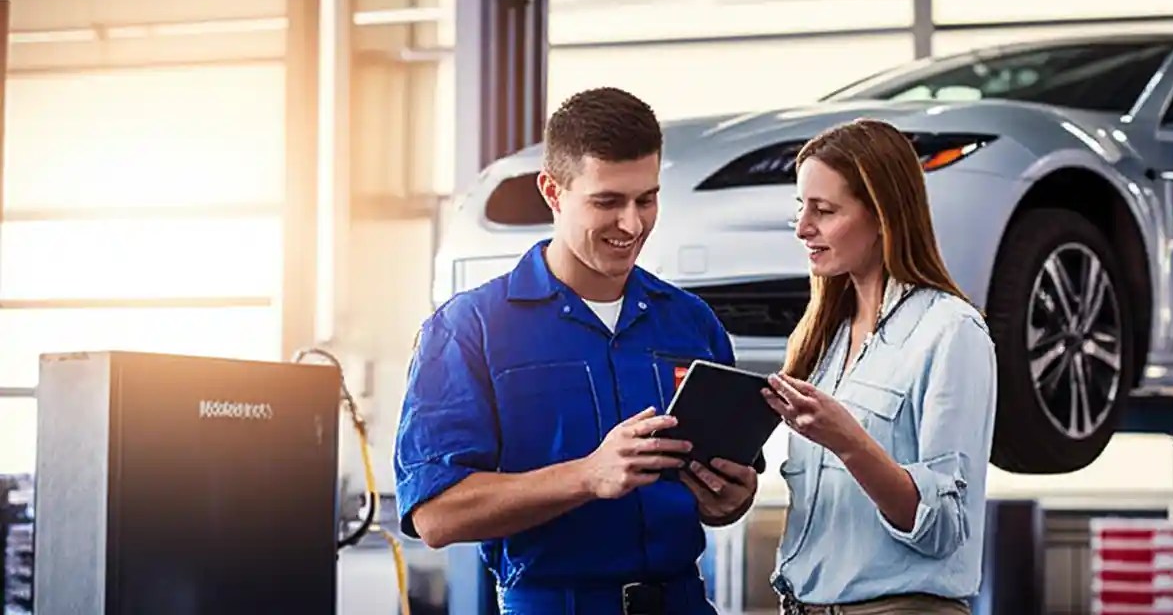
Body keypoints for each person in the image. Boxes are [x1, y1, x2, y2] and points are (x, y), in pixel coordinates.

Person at [394, 86, 760, 615]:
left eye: (647, 199)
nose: (632, 225)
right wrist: (587, 476)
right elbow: (436, 516)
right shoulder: (469, 329)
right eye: (607, 201)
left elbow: (727, 496)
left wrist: (730, 499)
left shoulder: (690, 322)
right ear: (552, 191)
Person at [761, 119, 998, 615]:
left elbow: (943, 527)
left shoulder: (951, 332)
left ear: (883, 217)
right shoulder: (819, 342)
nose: (804, 227)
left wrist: (850, 442)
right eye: (800, 208)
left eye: (824, 211)